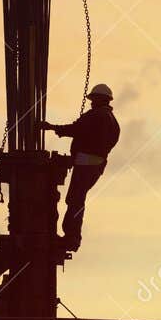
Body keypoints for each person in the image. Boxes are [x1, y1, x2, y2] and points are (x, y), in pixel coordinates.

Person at [42, 84, 120, 250]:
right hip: (94, 165)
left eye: (93, 99)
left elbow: (76, 129)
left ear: (101, 99)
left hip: (85, 164)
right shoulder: (112, 121)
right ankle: (71, 236)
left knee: (75, 199)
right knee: (77, 199)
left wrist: (52, 127)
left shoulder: (97, 116)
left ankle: (72, 237)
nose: (91, 102)